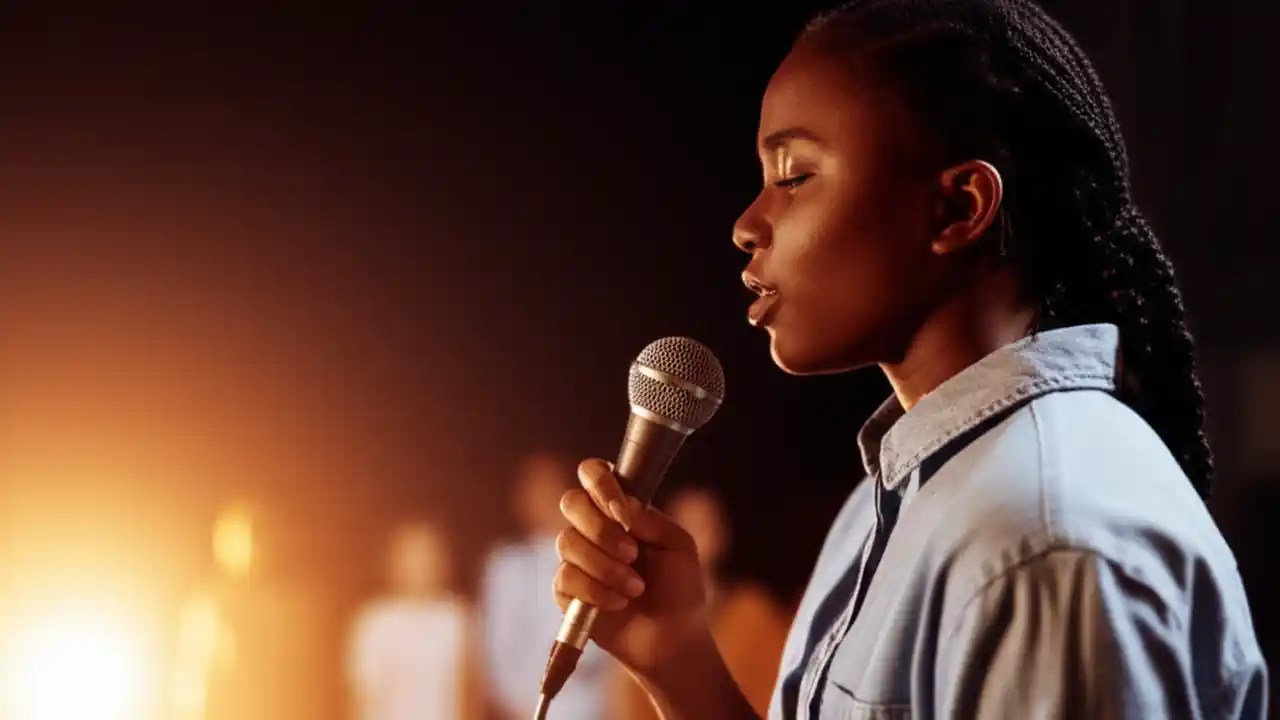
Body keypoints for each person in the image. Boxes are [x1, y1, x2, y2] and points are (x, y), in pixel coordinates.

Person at [549, 2, 1268, 718]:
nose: (746, 224)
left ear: (959, 208)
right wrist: (680, 666)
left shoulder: (1044, 542)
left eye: (793, 175)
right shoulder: (892, 501)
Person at [616, 487, 790, 719]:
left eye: (705, 526)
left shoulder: (750, 612)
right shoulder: (650, 621)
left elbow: (781, 696)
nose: (694, 537)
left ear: (721, 536)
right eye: (684, 524)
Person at [480, 451, 611, 719]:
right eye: (534, 489)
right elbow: (495, 652)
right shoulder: (506, 565)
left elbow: (607, 648)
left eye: (550, 487)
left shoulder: (596, 558)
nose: (543, 497)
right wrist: (523, 709)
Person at [347, 519, 481, 720]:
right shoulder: (374, 622)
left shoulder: (457, 618)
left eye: (427, 554)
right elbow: (359, 699)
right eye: (412, 555)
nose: (420, 564)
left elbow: (470, 694)